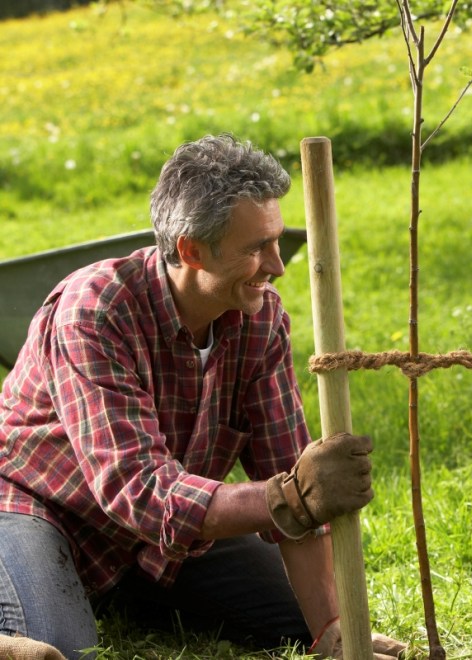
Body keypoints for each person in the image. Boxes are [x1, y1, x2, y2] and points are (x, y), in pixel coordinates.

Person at [0, 134, 406, 659]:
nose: (278, 264)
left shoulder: (260, 322)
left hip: (154, 539)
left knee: (293, 622)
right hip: (37, 508)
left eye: (276, 240)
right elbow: (141, 490)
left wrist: (332, 628)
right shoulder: (96, 311)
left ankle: (122, 595)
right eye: (256, 247)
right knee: (55, 654)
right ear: (190, 249)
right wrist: (287, 497)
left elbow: (295, 473)